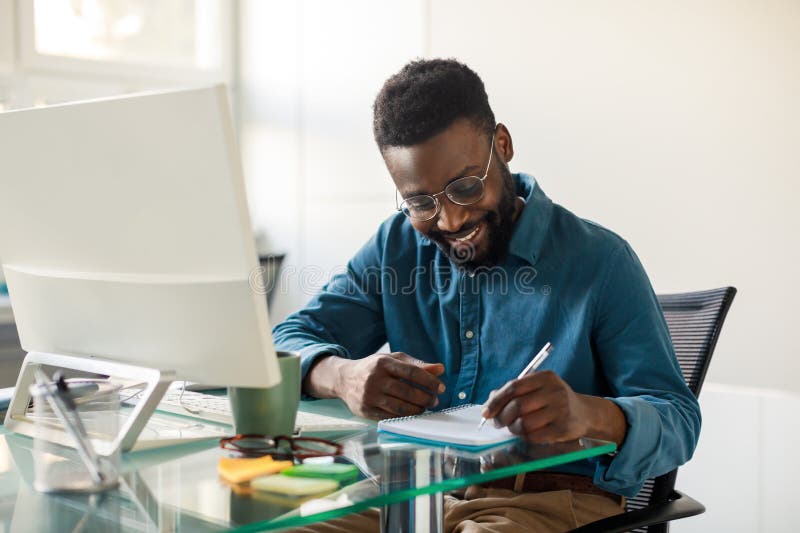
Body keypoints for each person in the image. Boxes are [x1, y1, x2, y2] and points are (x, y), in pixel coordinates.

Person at [273, 58, 701, 532]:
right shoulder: (395, 247)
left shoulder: (600, 260)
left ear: (503, 145)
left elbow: (679, 420)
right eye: (421, 202)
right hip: (410, 493)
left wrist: (586, 413)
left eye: (465, 186)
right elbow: (284, 340)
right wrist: (342, 376)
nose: (450, 221)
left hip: (546, 504)